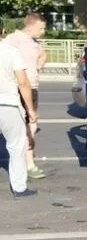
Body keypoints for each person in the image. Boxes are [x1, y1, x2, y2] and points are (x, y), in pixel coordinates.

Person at [3, 13, 48, 180]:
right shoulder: (13, 39)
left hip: (33, 88)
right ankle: (24, 164)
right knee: (20, 127)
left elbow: (43, 54)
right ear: (30, 26)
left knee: (31, 126)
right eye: (41, 28)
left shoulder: (34, 42)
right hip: (17, 89)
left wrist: (37, 67)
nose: (43, 32)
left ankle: (29, 163)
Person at [0, 41, 38, 197]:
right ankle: (19, 188)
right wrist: (30, 109)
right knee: (16, 146)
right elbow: (23, 83)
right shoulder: (10, 51)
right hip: (8, 104)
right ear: (1, 30)